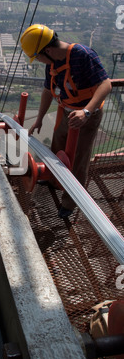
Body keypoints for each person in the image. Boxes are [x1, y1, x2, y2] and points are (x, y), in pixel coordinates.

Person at [20, 24, 112, 219]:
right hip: (67, 111)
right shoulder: (52, 63)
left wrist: (86, 112)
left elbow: (105, 84)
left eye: (38, 56)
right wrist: (39, 119)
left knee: (79, 158)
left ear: (48, 50)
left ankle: (70, 202)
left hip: (86, 115)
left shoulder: (83, 55)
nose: (39, 61)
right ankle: (54, 180)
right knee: (57, 148)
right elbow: (47, 90)